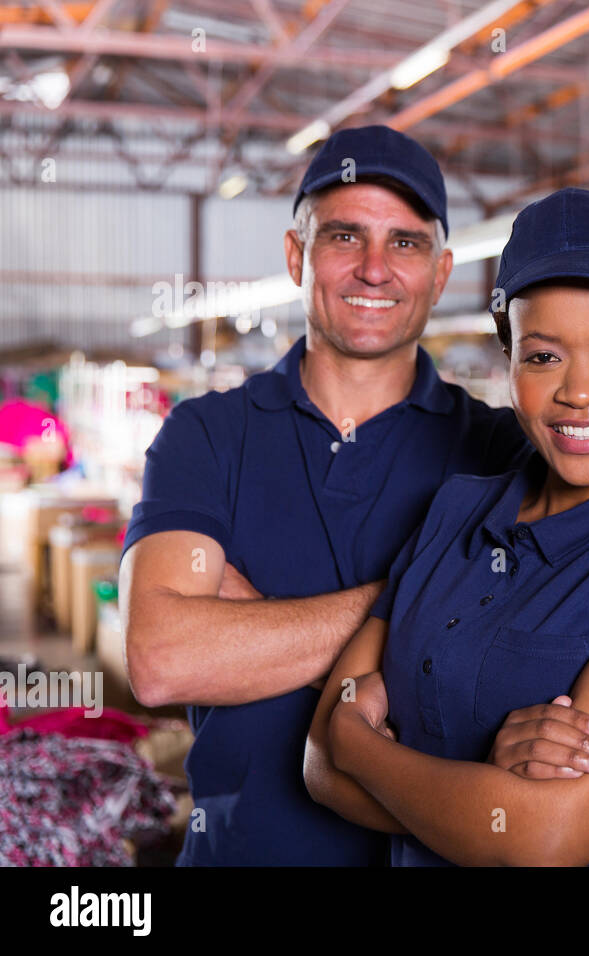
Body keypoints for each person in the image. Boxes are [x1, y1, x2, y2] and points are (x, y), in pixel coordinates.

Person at [119, 125, 537, 866]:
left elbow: (527, 651)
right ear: (296, 256)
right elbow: (161, 657)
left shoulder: (502, 452)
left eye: (405, 244)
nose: (375, 269)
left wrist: (248, 627)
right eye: (345, 236)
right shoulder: (206, 436)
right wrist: (430, 605)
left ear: (441, 273)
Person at [304, 187, 589, 866]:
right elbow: (316, 769)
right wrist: (482, 800)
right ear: (509, 366)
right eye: (543, 356)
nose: (579, 391)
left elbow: (545, 839)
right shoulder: (455, 509)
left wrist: (356, 742)